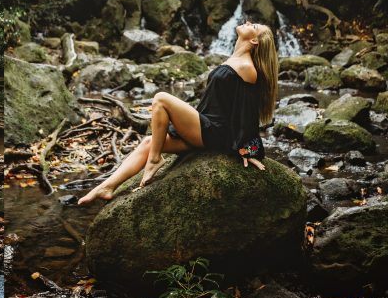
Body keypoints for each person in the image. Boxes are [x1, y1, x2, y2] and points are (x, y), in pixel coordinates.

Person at [78, 18, 279, 205]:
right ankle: (106, 187)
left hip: (213, 133)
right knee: (149, 142)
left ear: (254, 40)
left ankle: (155, 160)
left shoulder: (247, 68)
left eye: (254, 27)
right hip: (203, 127)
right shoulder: (236, 59)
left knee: (160, 99)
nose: (249, 22)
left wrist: (248, 150)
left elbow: (247, 113)